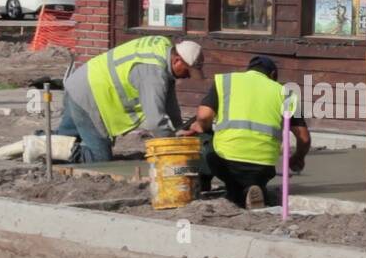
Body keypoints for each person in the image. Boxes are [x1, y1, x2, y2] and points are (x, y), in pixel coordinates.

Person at [23, 36, 203, 164]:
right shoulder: (153, 74)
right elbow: (155, 120)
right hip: (91, 98)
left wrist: (179, 128)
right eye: (188, 71)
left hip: (80, 82)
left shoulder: (162, 48)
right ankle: (39, 145)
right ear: (177, 61)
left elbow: (168, 102)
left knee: (64, 139)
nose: (187, 77)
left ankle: (37, 143)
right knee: (99, 157)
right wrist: (173, 146)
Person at [185, 56, 310, 209]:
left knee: (201, 138)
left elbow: (204, 116)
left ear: (249, 70)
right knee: (249, 181)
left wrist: (203, 128)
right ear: (272, 75)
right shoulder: (286, 93)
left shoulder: (226, 81)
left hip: (226, 162)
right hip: (263, 166)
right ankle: (252, 190)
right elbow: (304, 138)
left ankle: (204, 186)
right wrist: (298, 157)